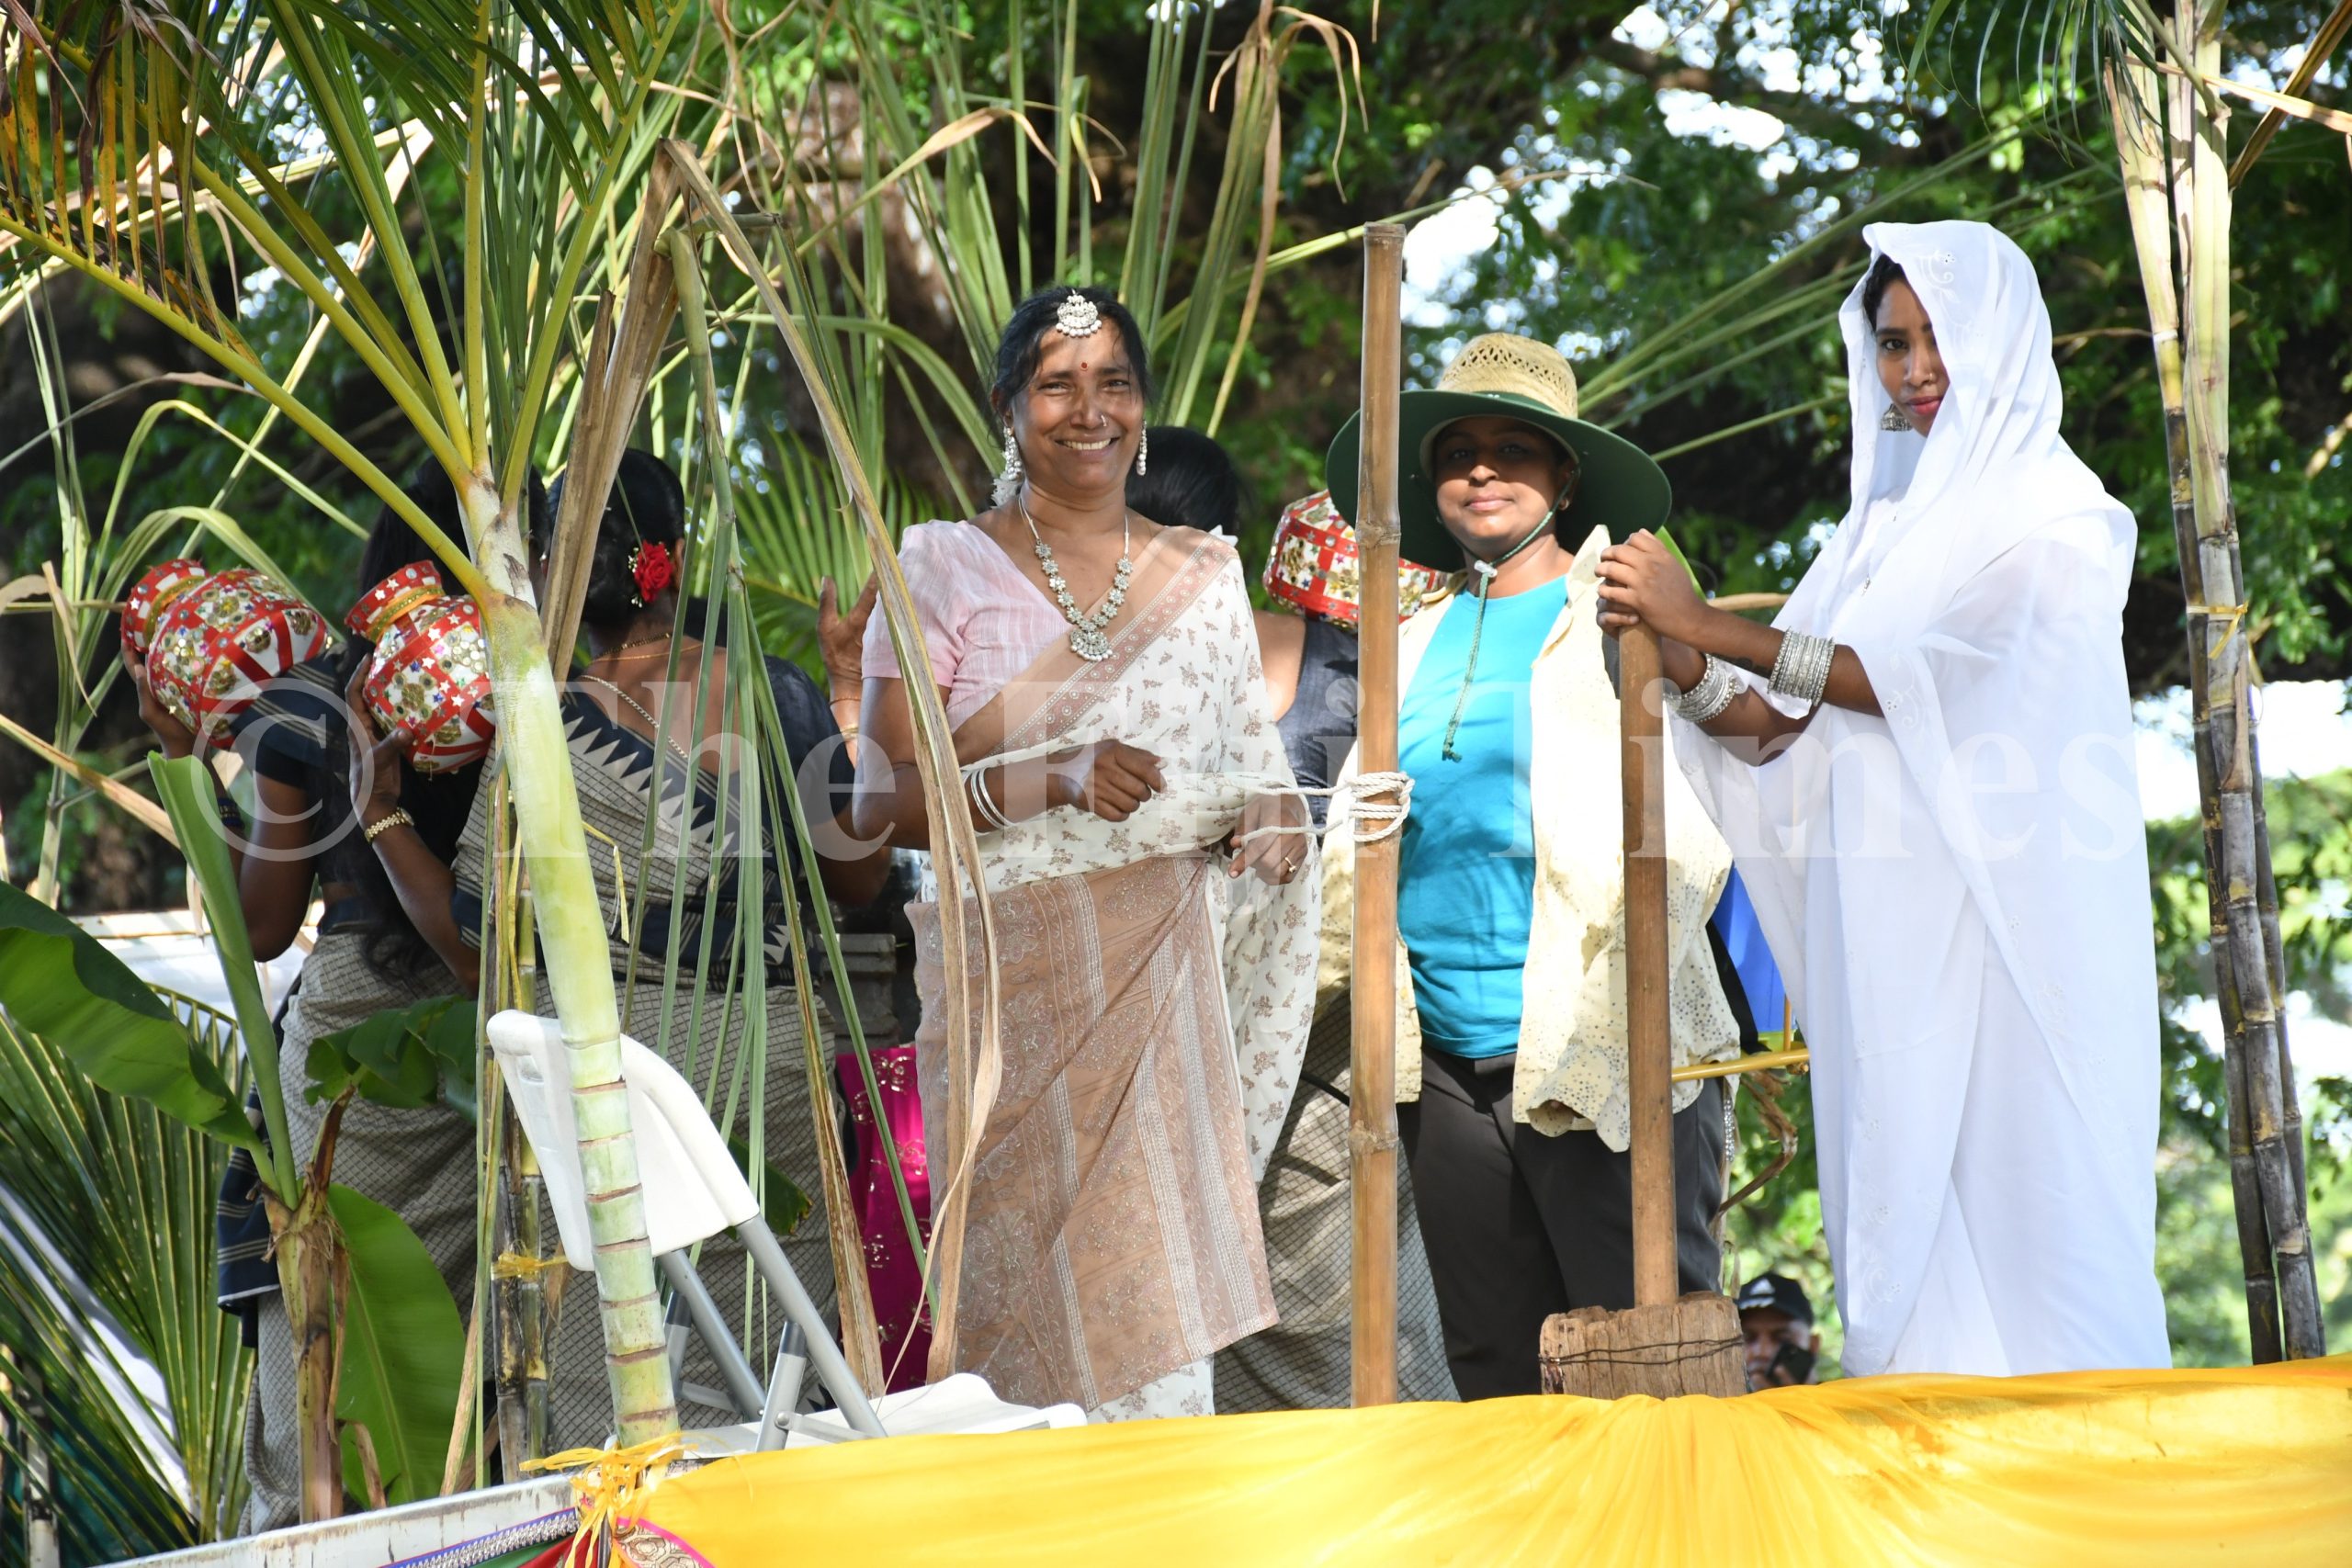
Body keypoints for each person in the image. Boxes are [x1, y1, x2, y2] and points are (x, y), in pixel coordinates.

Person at [1596, 220, 2170, 1377]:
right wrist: (1683, 663)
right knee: (1902, 1215)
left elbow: (1932, 686)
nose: (1910, 372)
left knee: (2036, 1217)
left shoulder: (2064, 520)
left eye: (1932, 340)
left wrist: (1707, 621)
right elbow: (1778, 722)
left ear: (1999, 341)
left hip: (2016, 946)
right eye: (1891, 344)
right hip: (1890, 948)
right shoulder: (1871, 540)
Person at [853, 286, 1317, 1420]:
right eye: (1056, 385)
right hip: (1011, 995)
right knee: (1017, 1320)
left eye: (1113, 382)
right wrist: (1045, 781)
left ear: (1143, 408)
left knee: (1151, 1320)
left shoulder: (1205, 576)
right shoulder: (938, 567)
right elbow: (873, 800)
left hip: (1165, 990)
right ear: (1008, 411)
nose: (1088, 410)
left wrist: (1276, 813)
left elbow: (1254, 765)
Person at [1318, 333, 1753, 1400]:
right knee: (1496, 1371)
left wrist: (1681, 630)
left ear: (1563, 476)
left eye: (1514, 448)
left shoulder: (1619, 600)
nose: (1481, 468)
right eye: (1457, 449)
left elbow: (1734, 726)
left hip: (1604, 1039)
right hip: (1449, 1066)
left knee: (1646, 1362)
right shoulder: (1406, 638)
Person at [444, 447, 889, 1444]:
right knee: (755, 1353)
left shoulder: (536, 717)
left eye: (575, 541)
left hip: (607, 1081)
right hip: (745, 1061)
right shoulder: (758, 692)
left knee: (621, 1342)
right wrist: (846, 697)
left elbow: (480, 939)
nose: (562, 561)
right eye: (562, 540)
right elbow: (858, 882)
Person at [122, 470, 493, 1532]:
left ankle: (318, 1528)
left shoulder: (313, 703)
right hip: (505, 1029)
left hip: (361, 1039)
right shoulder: (553, 683)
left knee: (323, 1327)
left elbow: (261, 929)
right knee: (471, 1349)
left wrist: (184, 761)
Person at [1736, 1273, 1820, 1389]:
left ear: (1813, 1345)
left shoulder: (1844, 1403)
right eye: (1746, 1338)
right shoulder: (1712, 1403)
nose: (1762, 1352)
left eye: (1782, 1339)